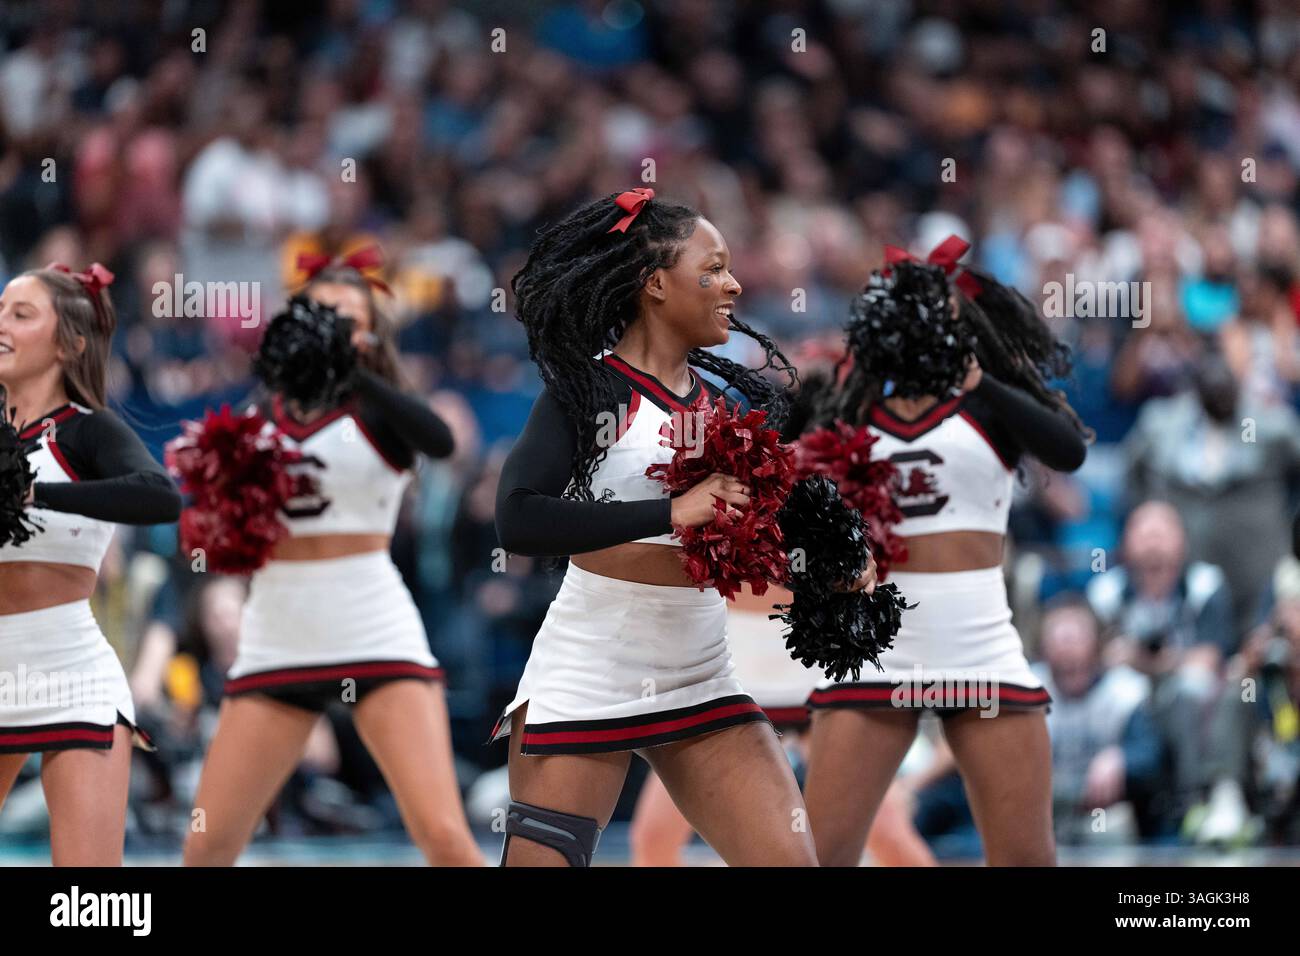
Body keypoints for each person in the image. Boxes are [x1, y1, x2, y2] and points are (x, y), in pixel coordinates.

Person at [493, 188, 873, 866]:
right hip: (590, 669)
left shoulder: (726, 404)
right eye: (714, 267)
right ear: (657, 283)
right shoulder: (592, 391)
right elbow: (516, 517)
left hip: (701, 675)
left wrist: (833, 561)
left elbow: (748, 536)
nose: (732, 284)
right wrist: (669, 512)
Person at [182, 252, 482, 866]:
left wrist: (354, 370)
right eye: (323, 313)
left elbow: (443, 442)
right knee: (207, 847)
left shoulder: (382, 412)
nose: (337, 327)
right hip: (278, 632)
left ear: (372, 332)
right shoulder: (257, 415)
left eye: (352, 318)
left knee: (445, 839)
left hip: (373, 627)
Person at [802, 247, 1088, 866]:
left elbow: (1068, 450)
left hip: (980, 644)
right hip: (877, 652)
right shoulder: (855, 409)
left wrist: (985, 381)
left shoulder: (988, 403)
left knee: (1026, 860)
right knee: (820, 859)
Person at [0, 262, 182, 865]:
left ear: (68, 342)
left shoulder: (86, 431)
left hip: (71, 676)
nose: (1, 324)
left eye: (21, 315)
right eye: (0, 311)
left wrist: (36, 494)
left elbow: (159, 495)